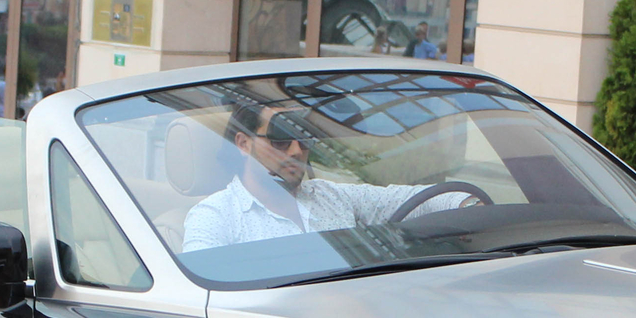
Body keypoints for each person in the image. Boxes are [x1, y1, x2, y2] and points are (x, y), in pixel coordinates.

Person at [180, 101, 458, 250]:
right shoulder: (216, 216)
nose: (296, 150)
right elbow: (202, 299)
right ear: (243, 144)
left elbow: (416, 199)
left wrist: (468, 205)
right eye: (279, 140)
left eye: (304, 139)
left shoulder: (333, 196)